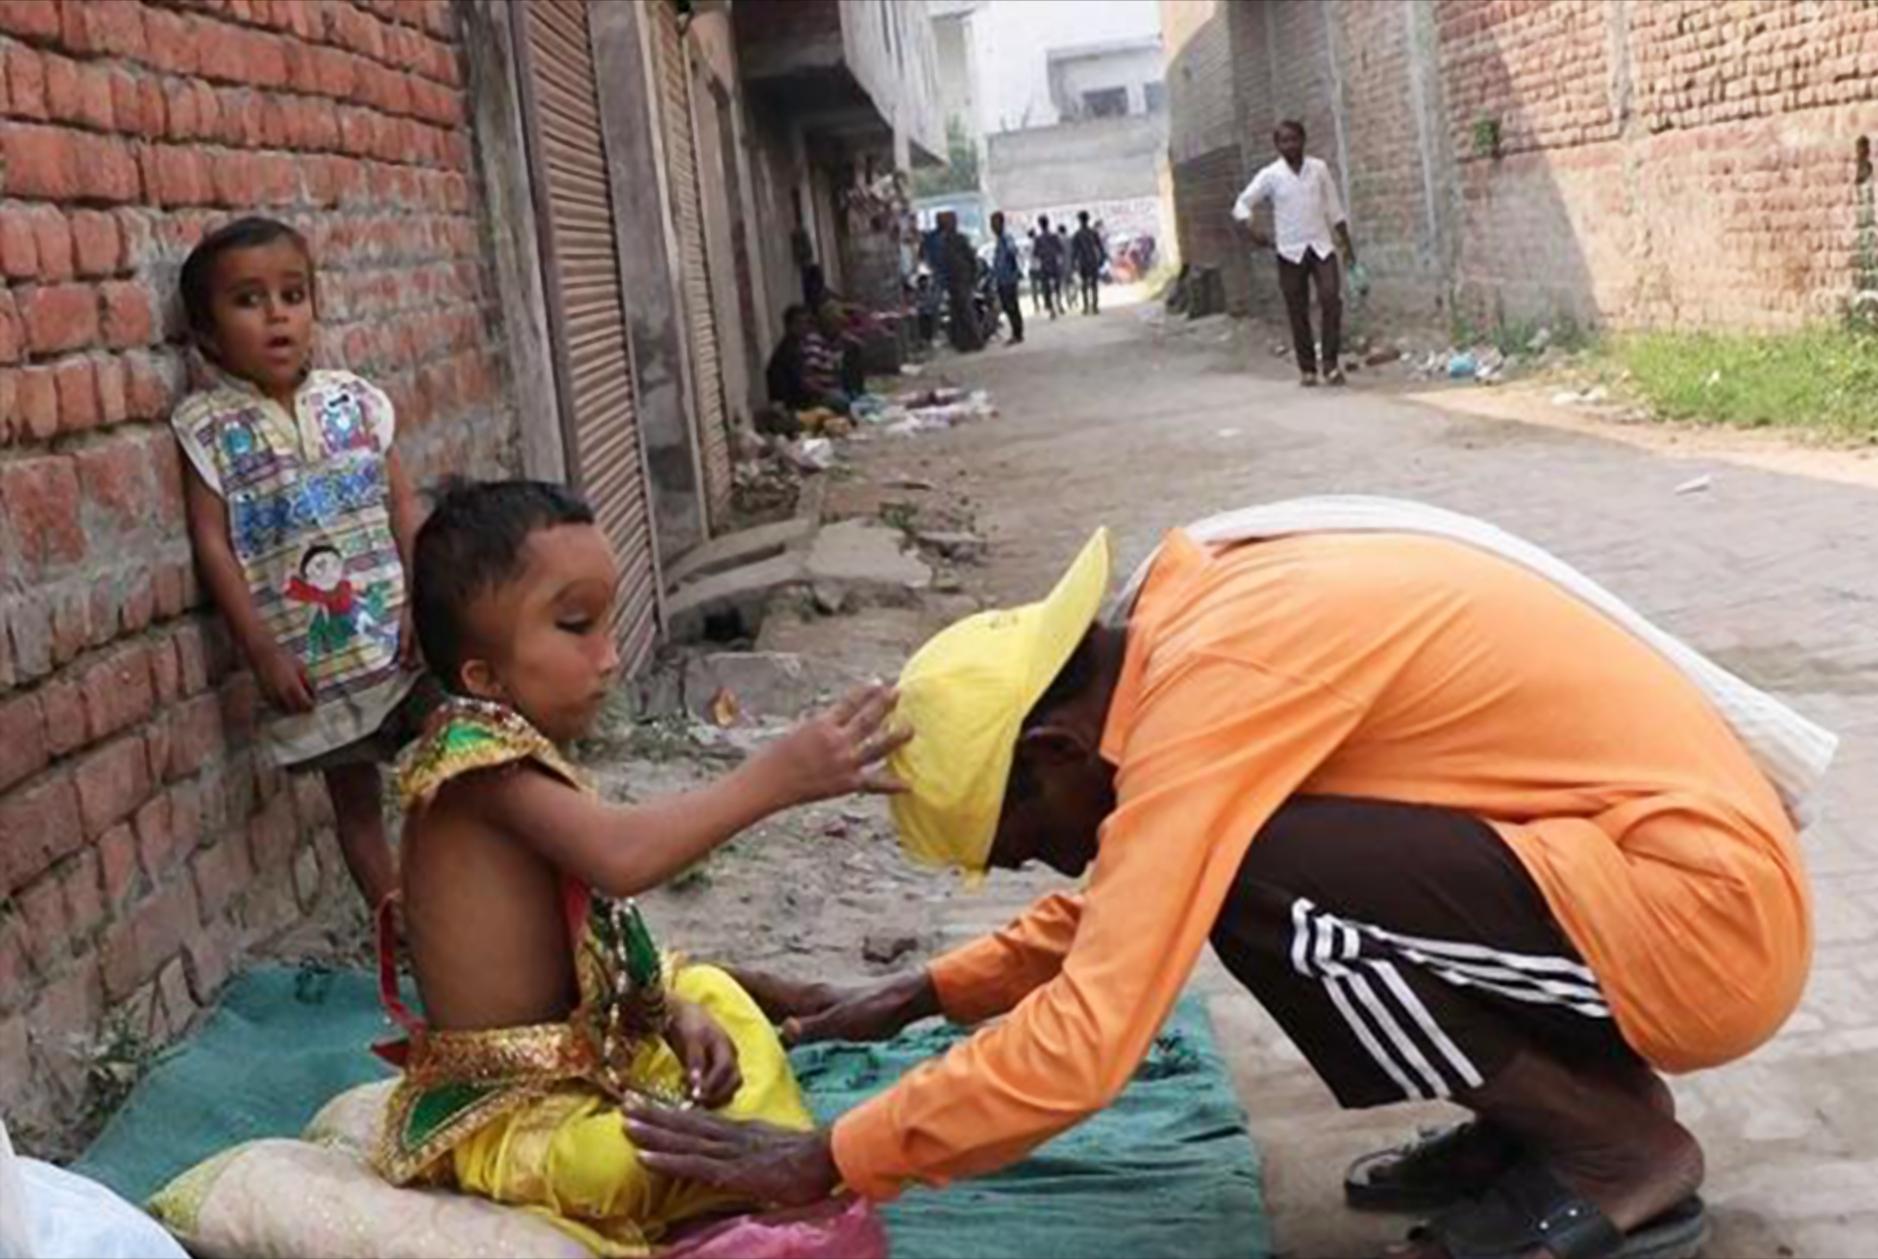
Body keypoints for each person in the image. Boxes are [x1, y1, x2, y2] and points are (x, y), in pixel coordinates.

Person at [625, 499, 1825, 1259]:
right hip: (1630, 876)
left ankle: (1616, 1149)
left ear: (1050, 753)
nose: (1059, 859)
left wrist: (832, 1153)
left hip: (1701, 925)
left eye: (1032, 837)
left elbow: (1094, 1030)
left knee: (1262, 875)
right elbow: (1138, 887)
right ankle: (1537, 1125)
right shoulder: (1185, 636)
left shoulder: (1209, 693)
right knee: (1249, 861)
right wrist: (925, 992)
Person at [376, 479, 907, 1252]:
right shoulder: (474, 767)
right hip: (514, 1110)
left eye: (610, 621)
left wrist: (674, 1016)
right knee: (621, 1163)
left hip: (588, 1061)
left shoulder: (516, 750)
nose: (610, 655)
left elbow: (596, 935)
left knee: (718, 1000)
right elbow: (622, 859)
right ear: (482, 678)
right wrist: (778, 774)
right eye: (575, 626)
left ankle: (739, 1173)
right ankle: (741, 1186)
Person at [171, 216, 436, 914]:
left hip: (399, 641)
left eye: (293, 294)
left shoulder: (355, 401)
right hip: (312, 668)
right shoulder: (208, 428)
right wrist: (261, 651)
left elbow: (404, 506)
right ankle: (404, 931)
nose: (277, 314)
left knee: (453, 770)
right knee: (355, 806)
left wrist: (421, 600)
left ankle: (467, 902)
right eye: (249, 301)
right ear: (205, 333)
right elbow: (212, 544)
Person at [1233, 119, 1357, 386]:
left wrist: (1346, 245)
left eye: (1294, 139)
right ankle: (1308, 369)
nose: (1290, 145)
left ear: (1303, 140)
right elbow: (1243, 203)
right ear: (1277, 145)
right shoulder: (1271, 175)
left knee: (1330, 298)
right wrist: (1251, 228)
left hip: (1321, 246)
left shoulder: (1318, 169)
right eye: (1284, 141)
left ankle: (1331, 364)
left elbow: (1333, 207)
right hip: (1289, 251)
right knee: (1297, 309)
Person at [764, 304, 848, 415]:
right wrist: (826, 392)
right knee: (839, 401)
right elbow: (804, 383)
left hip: (803, 398)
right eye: (801, 323)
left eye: (808, 323)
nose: (806, 327)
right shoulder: (790, 350)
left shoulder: (798, 346)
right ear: (791, 326)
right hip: (794, 403)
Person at [936, 211, 983, 353]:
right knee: (957, 311)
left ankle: (975, 340)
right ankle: (963, 342)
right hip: (953, 279)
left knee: (966, 309)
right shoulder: (944, 240)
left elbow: (970, 258)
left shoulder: (959, 239)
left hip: (962, 278)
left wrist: (973, 275)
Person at [989, 211, 1025, 347]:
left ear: (1001, 223)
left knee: (1011, 306)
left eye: (994, 223)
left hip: (1008, 278)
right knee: (1008, 306)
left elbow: (1012, 253)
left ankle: (1017, 333)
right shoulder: (1000, 240)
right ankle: (1016, 333)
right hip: (1003, 278)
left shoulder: (1005, 238)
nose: (992, 227)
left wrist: (1013, 271)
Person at [1070, 211, 1106, 315]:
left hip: (1083, 262)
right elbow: (1100, 247)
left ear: (1079, 220)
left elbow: (1074, 252)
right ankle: (1095, 306)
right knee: (1094, 284)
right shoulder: (1093, 233)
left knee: (1084, 285)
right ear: (1088, 219)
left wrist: (1073, 264)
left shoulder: (1077, 235)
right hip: (1092, 260)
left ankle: (1086, 307)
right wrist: (1102, 258)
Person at [1033, 215, 1065, 318]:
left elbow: (1035, 254)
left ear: (1040, 225)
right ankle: (1059, 304)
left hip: (1044, 266)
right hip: (1054, 264)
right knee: (1057, 287)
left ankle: (1051, 308)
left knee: (1046, 289)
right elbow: (1060, 250)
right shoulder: (1054, 236)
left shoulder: (1038, 239)